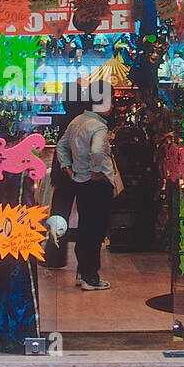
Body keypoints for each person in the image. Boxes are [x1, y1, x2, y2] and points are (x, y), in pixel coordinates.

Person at [56, 81, 116, 290]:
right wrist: (97, 171)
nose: (112, 105)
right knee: (96, 230)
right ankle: (91, 277)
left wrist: (68, 169)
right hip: (97, 185)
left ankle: (83, 273)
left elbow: (61, 146)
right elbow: (97, 151)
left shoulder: (77, 121)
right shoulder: (98, 126)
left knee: (85, 228)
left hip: (80, 181)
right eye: (110, 101)